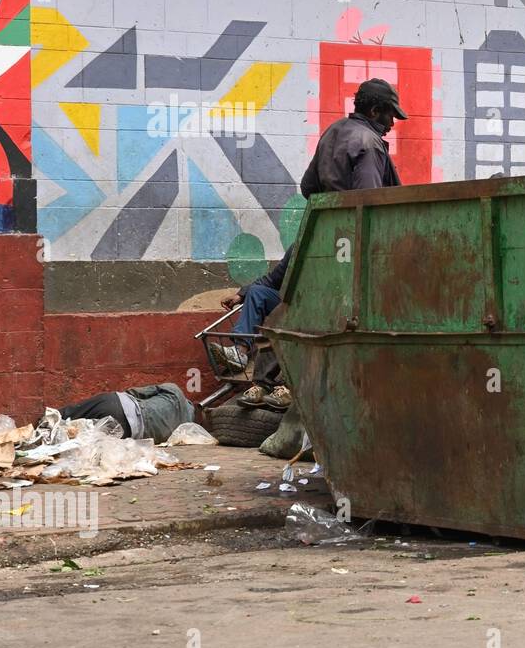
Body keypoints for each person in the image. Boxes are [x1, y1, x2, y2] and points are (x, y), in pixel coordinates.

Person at [213, 78, 409, 411]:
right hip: (350, 245)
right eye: (390, 115)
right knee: (296, 307)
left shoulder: (333, 133)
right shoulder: (370, 144)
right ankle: (276, 379)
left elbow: (307, 187)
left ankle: (264, 379)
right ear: (375, 111)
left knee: (278, 297)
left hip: (325, 229)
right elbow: (370, 203)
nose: (392, 124)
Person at [58, 383, 195, 444]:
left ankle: (41, 423)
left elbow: (136, 392)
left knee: (65, 415)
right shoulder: (179, 433)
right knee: (80, 438)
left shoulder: (174, 391)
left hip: (119, 405)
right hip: (126, 432)